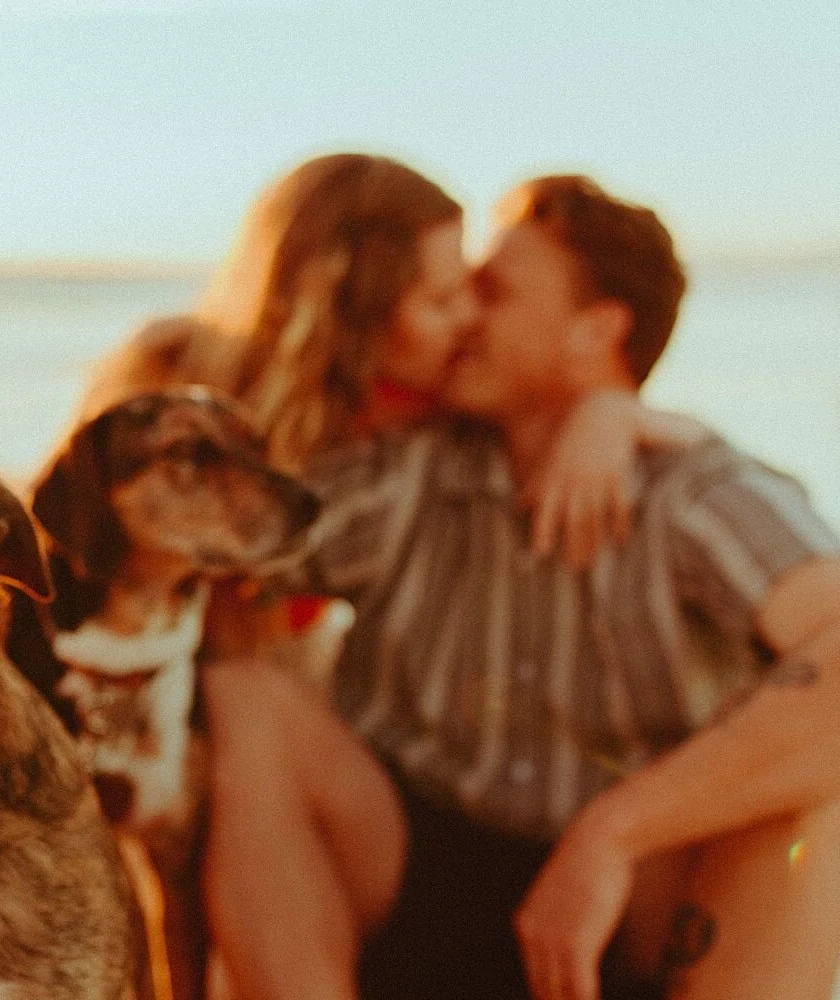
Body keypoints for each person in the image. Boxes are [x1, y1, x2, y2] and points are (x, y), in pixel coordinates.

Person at [203, 174, 840, 1000]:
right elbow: (192, 550)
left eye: (494, 291)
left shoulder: (695, 491)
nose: (465, 316)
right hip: (413, 870)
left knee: (807, 808)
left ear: (596, 329)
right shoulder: (408, 474)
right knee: (249, 699)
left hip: (630, 905)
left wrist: (613, 833)